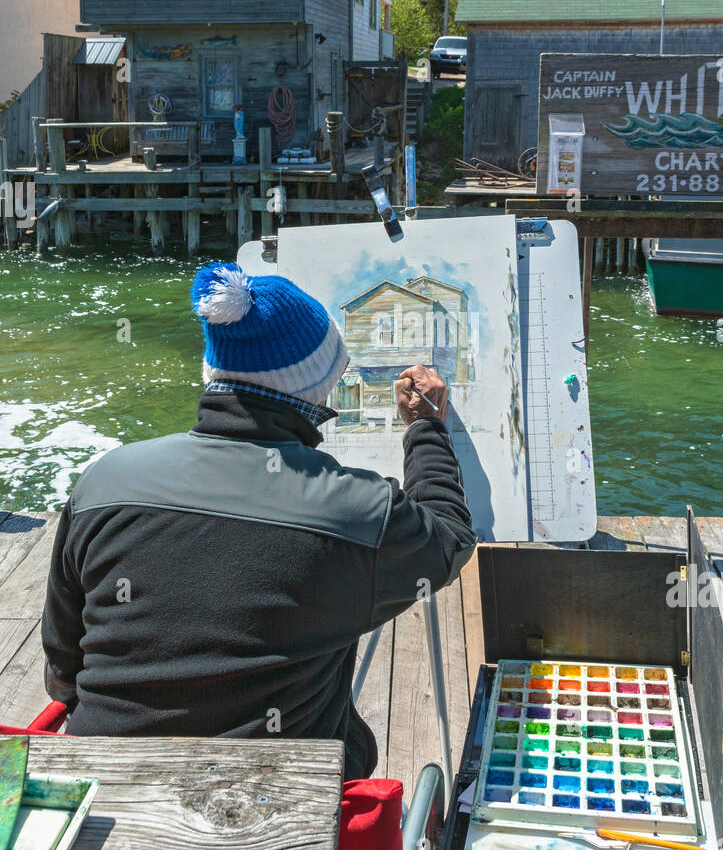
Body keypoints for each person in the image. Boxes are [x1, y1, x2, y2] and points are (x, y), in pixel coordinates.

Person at [40, 262, 477, 779]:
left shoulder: (104, 482)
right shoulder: (357, 510)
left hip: (96, 801)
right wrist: (426, 427)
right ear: (320, 388)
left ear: (213, 371)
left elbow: (63, 671)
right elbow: (447, 538)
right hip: (282, 816)